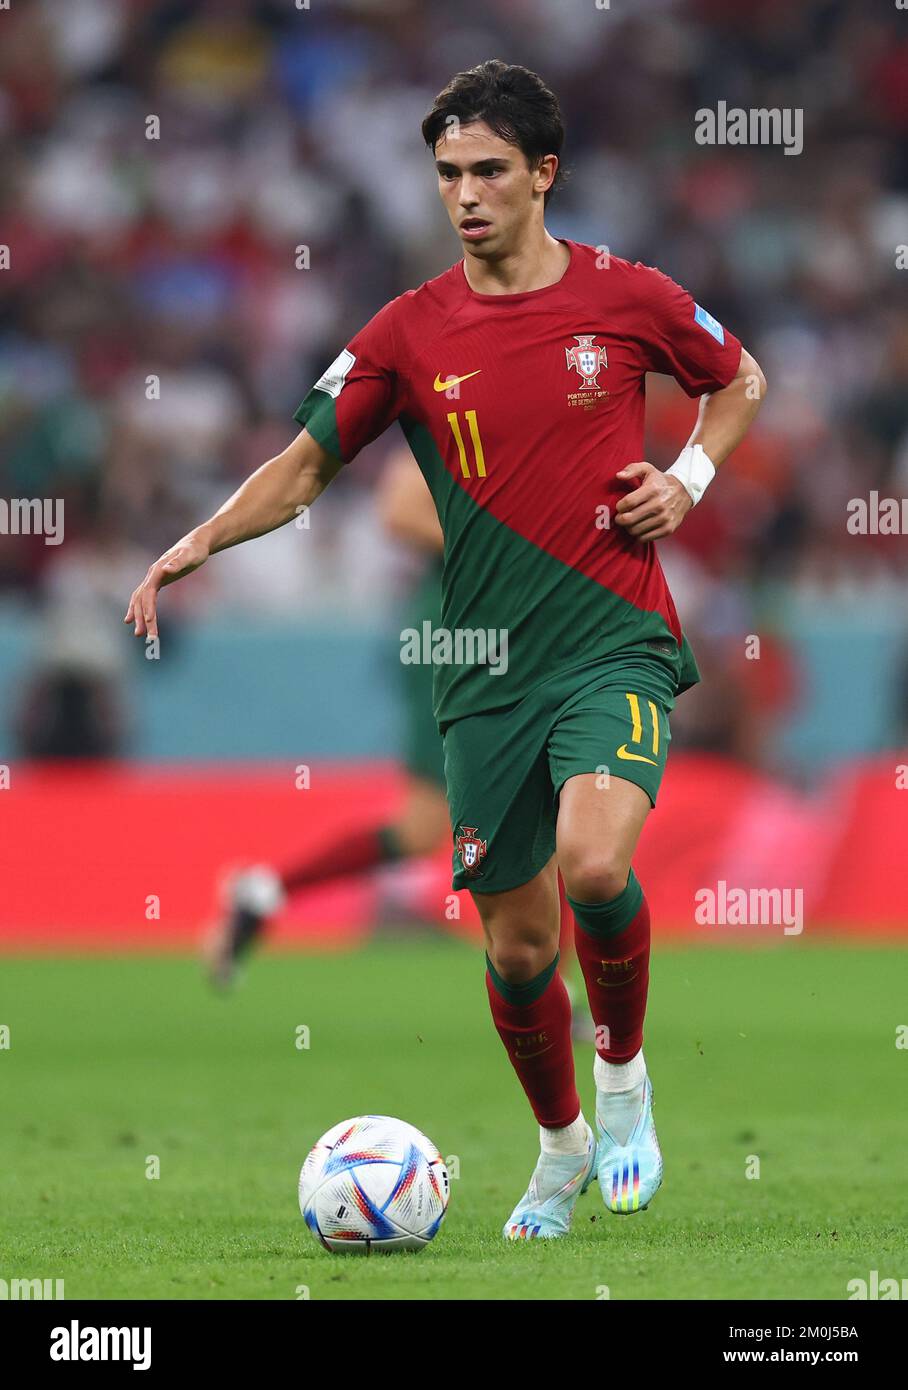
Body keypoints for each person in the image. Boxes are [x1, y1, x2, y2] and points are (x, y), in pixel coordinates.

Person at [126, 60, 766, 1241]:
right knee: (520, 949)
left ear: (541, 176)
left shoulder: (628, 298)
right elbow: (309, 464)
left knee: (590, 865)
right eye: (446, 175)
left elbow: (736, 378)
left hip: (611, 642)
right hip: (480, 678)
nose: (464, 194)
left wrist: (684, 478)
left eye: (486, 171)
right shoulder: (407, 331)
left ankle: (622, 1080)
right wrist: (200, 539)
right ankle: (560, 1147)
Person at [204, 448, 449, 985]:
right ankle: (565, 995)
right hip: (455, 638)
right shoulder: (460, 414)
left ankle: (263, 891)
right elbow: (400, 508)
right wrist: (504, 548)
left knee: (424, 829)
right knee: (523, 811)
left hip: (507, 630)